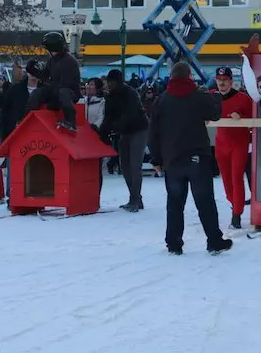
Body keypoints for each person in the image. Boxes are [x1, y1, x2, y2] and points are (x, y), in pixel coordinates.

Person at [148, 62, 231, 256]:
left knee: (175, 203)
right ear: (189, 76)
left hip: (172, 160)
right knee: (205, 202)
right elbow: (215, 114)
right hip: (197, 159)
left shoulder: (162, 101)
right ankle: (214, 240)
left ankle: (174, 243)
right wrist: (217, 98)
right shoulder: (199, 97)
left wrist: (156, 159)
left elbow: (153, 133)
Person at [99, 69, 149, 212]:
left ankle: (134, 200)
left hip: (139, 129)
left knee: (134, 165)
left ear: (119, 82)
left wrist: (115, 127)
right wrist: (103, 132)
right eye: (109, 82)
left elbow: (130, 115)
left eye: (112, 82)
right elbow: (108, 117)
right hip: (124, 132)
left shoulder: (131, 93)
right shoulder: (110, 97)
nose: (110, 85)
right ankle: (135, 198)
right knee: (125, 165)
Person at [213, 67, 253, 229]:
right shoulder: (212, 97)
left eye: (224, 80)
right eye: (219, 79)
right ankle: (234, 203)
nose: (221, 83)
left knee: (237, 178)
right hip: (221, 144)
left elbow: (253, 120)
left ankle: (237, 213)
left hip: (238, 144)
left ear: (231, 81)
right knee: (226, 180)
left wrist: (242, 118)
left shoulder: (243, 99)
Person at [27, 32, 80, 133]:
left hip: (70, 93)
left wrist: (51, 97)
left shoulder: (69, 61)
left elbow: (65, 84)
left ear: (52, 49)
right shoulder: (52, 61)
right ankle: (28, 117)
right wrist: (34, 70)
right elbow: (45, 76)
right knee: (38, 92)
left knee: (63, 92)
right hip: (56, 91)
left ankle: (71, 122)